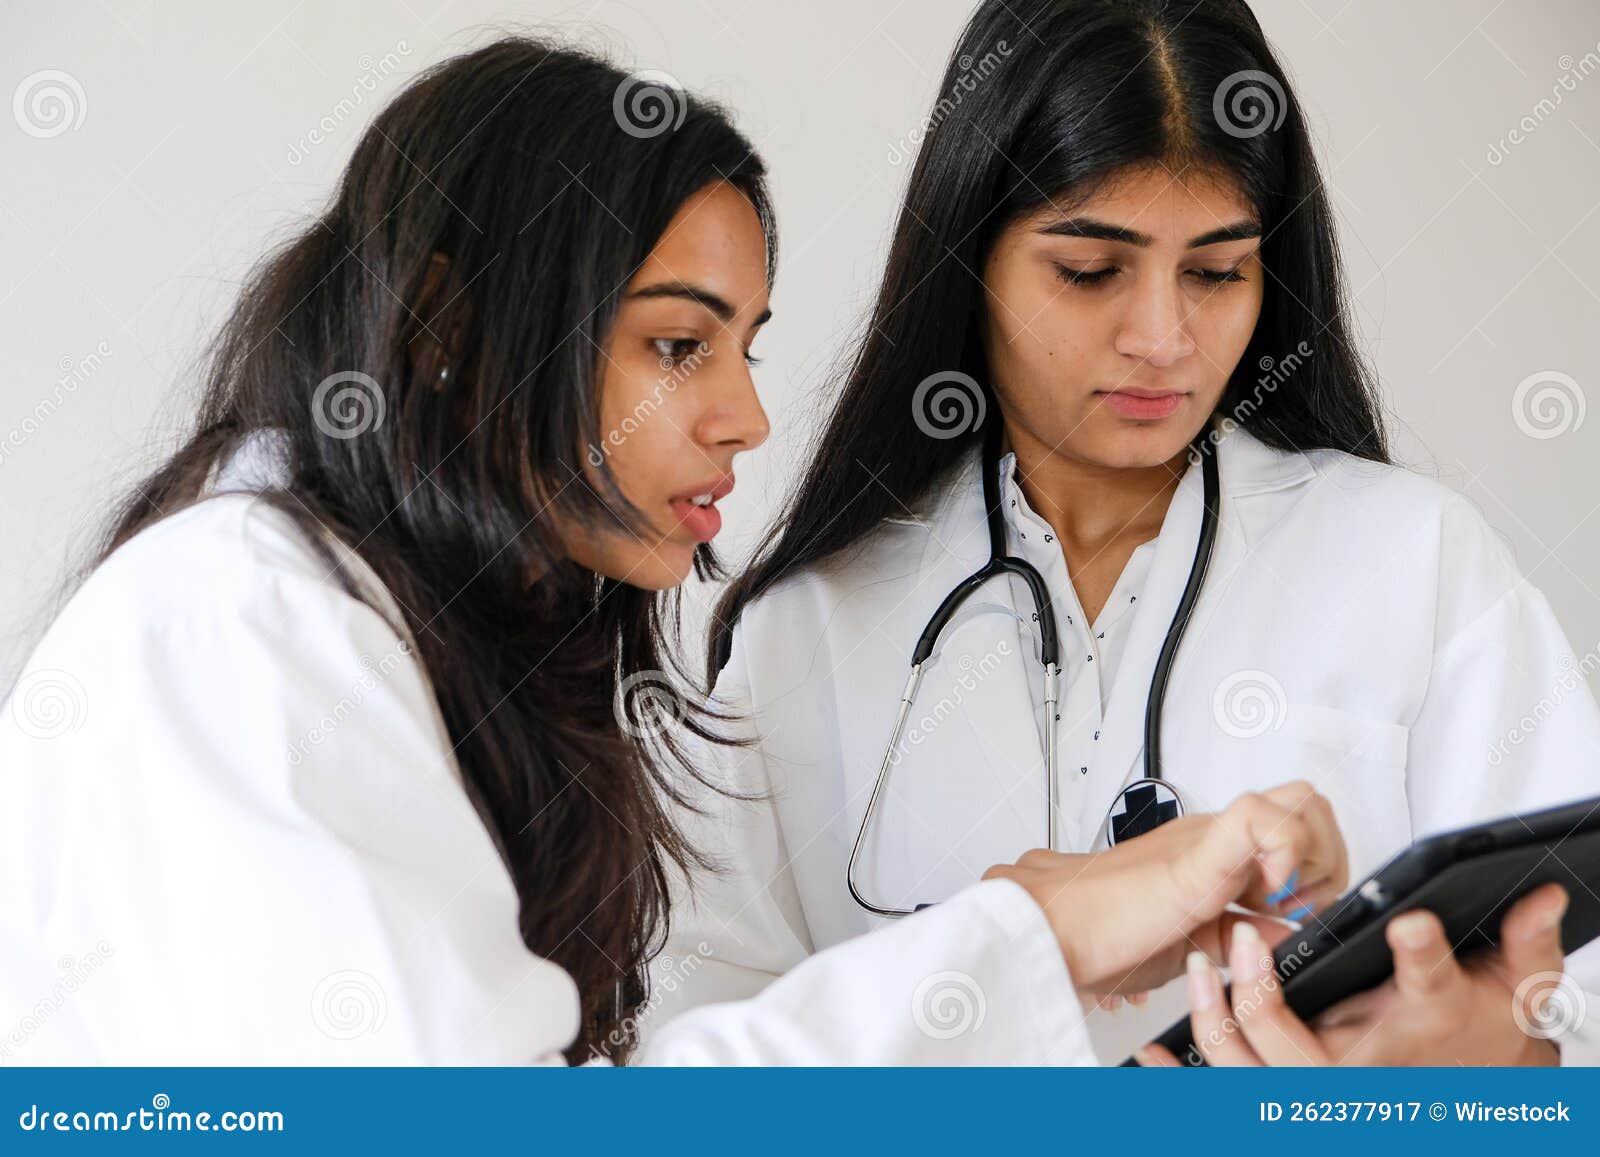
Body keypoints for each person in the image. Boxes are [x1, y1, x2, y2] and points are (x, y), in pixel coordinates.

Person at [0, 36, 1351, 1067]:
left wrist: (1022, 953)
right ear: (445, 334)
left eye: (744, 348)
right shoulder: (237, 624)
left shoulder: (400, 643)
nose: (748, 415)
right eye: (674, 344)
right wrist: (1027, 942)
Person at [645, 0, 1600, 1066]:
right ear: (968, 260)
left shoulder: (1415, 563)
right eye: (1090, 271)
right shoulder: (804, 630)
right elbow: (693, 1052)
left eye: (1216, 271)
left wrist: (1511, 1063)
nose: (1162, 339)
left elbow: (1575, 989)